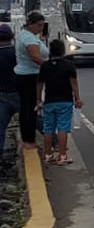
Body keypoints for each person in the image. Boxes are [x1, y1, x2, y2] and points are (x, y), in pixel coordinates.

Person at [37, 39, 81, 166]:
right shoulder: (69, 65)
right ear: (63, 50)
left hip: (49, 101)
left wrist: (39, 98)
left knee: (48, 128)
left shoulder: (45, 66)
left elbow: (40, 83)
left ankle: (48, 155)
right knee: (63, 127)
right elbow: (74, 83)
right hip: (65, 101)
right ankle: (62, 155)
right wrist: (77, 98)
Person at [14, 12, 49, 151]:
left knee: (27, 108)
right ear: (31, 24)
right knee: (30, 108)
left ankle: (28, 139)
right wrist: (49, 67)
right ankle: (29, 140)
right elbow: (34, 56)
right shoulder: (28, 38)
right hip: (29, 76)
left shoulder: (26, 35)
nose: (41, 28)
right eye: (39, 25)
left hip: (26, 75)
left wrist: (41, 40)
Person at [0, 25, 19, 171]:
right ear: (11, 37)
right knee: (33, 118)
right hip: (19, 93)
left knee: (1, 128)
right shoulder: (17, 53)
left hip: (2, 96)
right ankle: (54, 141)